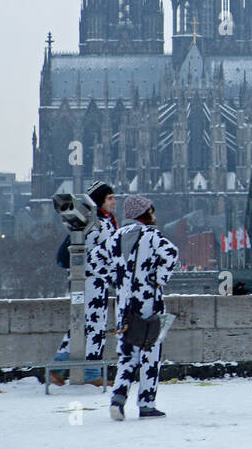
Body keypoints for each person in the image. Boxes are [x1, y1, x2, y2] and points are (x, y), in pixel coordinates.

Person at [93, 194, 178, 420]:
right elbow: (171, 254)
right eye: (152, 211)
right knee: (150, 353)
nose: (154, 215)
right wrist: (159, 278)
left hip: (124, 306)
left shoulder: (117, 237)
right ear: (144, 214)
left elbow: (94, 260)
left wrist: (115, 279)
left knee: (127, 354)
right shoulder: (151, 236)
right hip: (148, 304)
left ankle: (118, 399)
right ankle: (146, 403)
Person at [50, 180, 117, 387]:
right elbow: (110, 254)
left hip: (82, 280)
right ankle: (92, 372)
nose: (114, 202)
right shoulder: (101, 224)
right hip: (95, 282)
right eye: (110, 198)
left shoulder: (86, 222)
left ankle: (59, 369)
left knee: (78, 325)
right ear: (100, 201)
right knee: (95, 326)